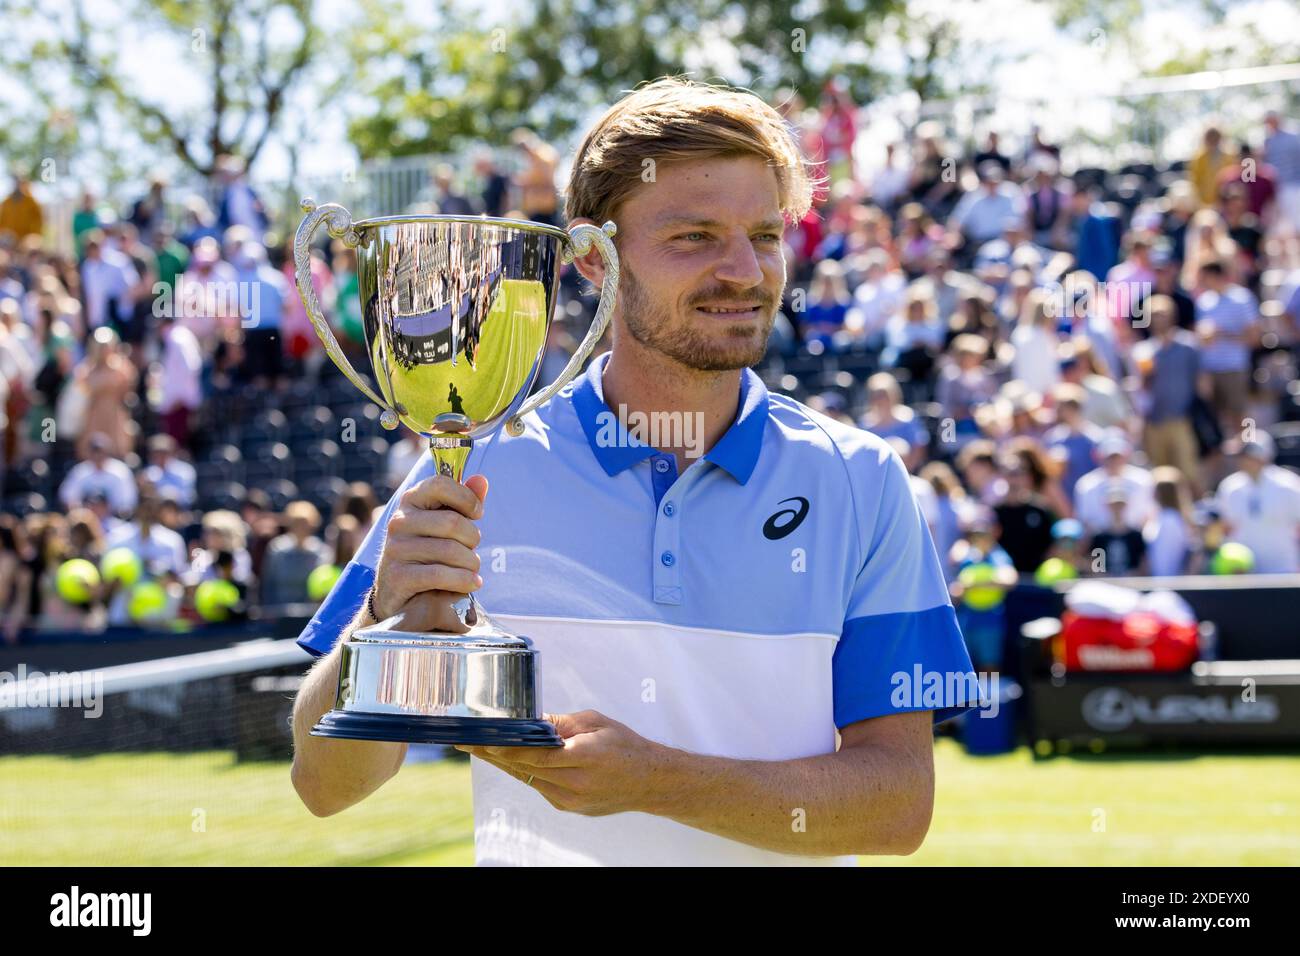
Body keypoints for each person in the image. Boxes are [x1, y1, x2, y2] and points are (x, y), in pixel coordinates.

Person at [291, 77, 976, 866]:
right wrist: (383, 618)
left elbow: (897, 807)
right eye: (694, 237)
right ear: (593, 262)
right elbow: (327, 785)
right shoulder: (478, 459)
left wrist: (659, 782)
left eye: (764, 234)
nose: (745, 272)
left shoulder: (862, 479)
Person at [1214, 433, 1300, 573]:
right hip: (1245, 571)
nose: (1243, 460)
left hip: (1283, 569)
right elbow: (1225, 528)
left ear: (1263, 456)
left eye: (1248, 455)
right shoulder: (1230, 487)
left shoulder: (1288, 485)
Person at [58, 431, 138, 517]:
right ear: (89, 453)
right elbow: (68, 498)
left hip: (115, 521)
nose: (98, 455)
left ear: (108, 451)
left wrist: (106, 510)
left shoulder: (121, 471)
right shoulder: (80, 471)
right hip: (86, 520)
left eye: (101, 451)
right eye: (95, 451)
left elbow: (128, 502)